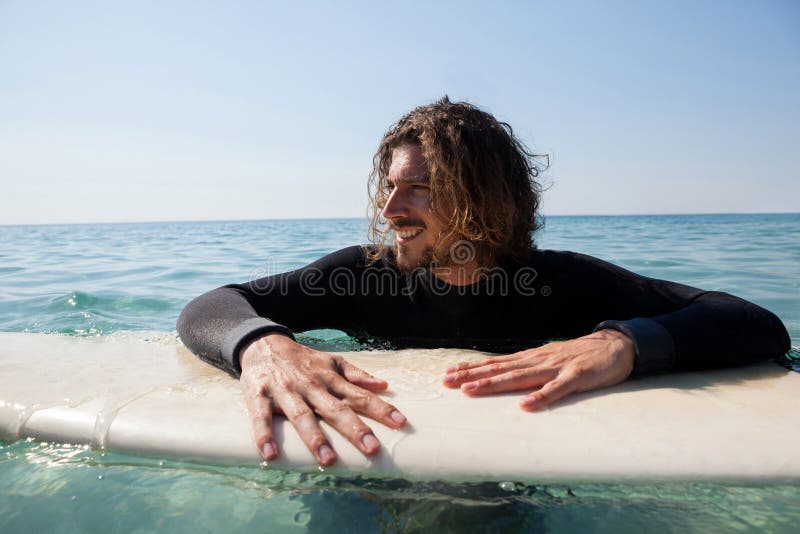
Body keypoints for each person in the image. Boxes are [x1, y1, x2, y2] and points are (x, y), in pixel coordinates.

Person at [177, 97, 790, 466]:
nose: (390, 209)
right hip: (377, 465)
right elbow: (212, 304)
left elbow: (754, 322)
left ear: (484, 199)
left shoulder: (556, 283)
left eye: (417, 188)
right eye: (390, 186)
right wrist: (262, 346)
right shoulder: (360, 277)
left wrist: (624, 342)